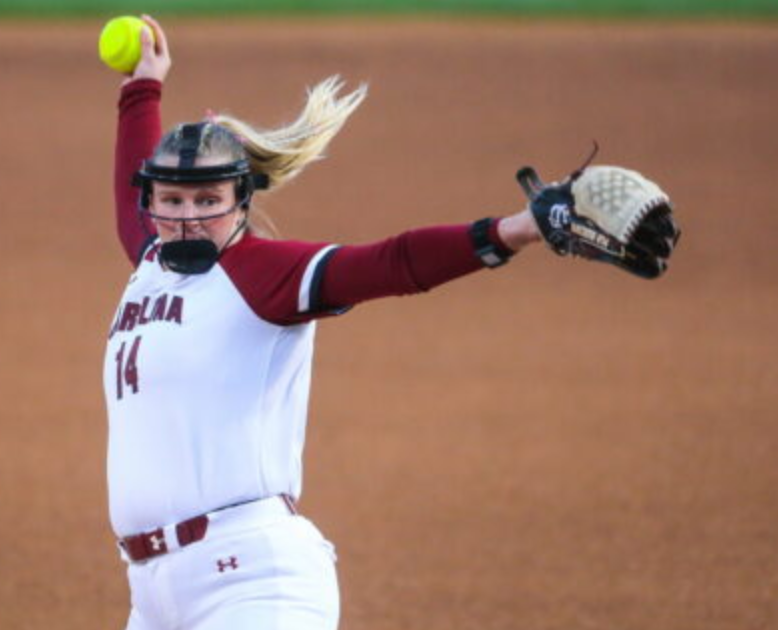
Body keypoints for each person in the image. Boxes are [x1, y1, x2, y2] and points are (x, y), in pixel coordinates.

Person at [105, 16, 544, 630]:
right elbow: (133, 180)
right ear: (150, 203)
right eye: (172, 201)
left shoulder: (262, 273)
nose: (188, 218)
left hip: (253, 580)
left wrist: (514, 231)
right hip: (152, 597)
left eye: (208, 201)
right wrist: (143, 86)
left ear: (240, 200)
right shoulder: (152, 262)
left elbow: (390, 262)